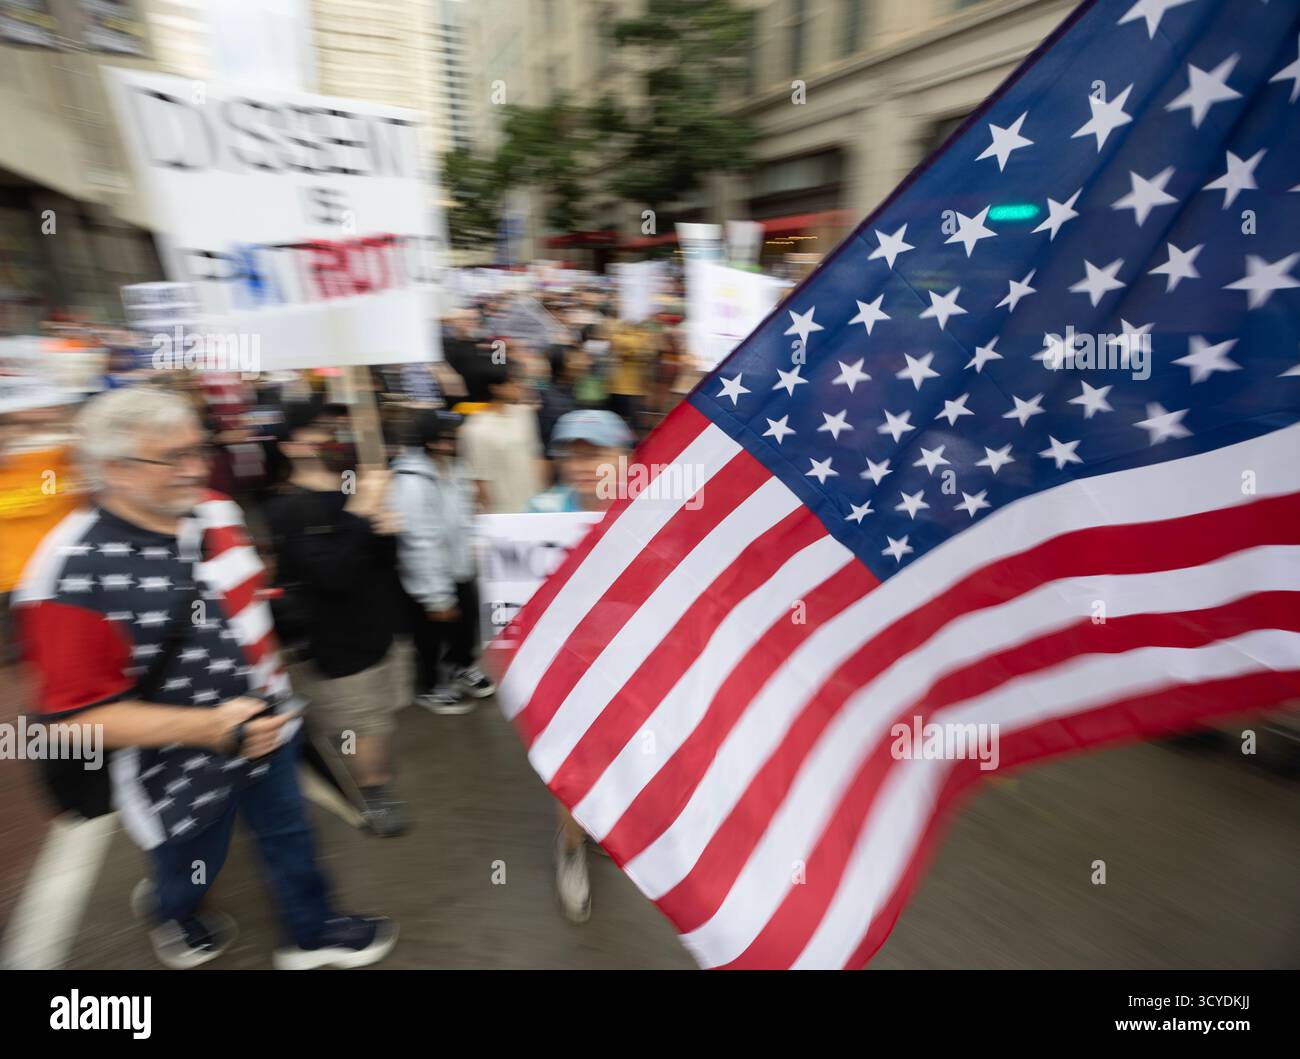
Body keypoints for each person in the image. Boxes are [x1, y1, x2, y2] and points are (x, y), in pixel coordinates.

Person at [13, 386, 395, 969]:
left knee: (291, 833)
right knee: (191, 860)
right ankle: (176, 912)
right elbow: (74, 719)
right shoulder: (67, 574)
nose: (197, 468)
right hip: (170, 763)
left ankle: (312, 933)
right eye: (173, 457)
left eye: (198, 450)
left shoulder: (215, 506)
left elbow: (247, 598)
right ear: (113, 470)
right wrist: (210, 729)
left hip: (270, 721)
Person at [264, 401, 408, 837]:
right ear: (289, 447)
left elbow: (376, 561)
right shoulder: (289, 508)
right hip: (337, 638)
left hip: (378, 625)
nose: (328, 436)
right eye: (314, 431)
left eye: (330, 427)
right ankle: (370, 794)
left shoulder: (349, 489)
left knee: (378, 718)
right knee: (361, 724)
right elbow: (332, 575)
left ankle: (372, 780)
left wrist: (385, 531)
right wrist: (362, 513)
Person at [527, 409, 634, 922]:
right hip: (565, 670)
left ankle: (600, 830)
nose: (583, 464)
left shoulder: (650, 512)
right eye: (572, 453)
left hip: (631, 667)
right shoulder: (540, 512)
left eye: (596, 452)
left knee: (619, 759)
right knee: (571, 766)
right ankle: (570, 847)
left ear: (626, 457)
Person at [389, 410, 495, 714]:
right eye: (446, 436)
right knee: (432, 637)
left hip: (460, 569)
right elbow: (418, 541)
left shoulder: (457, 469)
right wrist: (435, 596)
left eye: (454, 436)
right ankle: (433, 687)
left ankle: (461, 667)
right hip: (426, 578)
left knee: (465, 626)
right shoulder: (410, 480)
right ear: (430, 439)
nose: (452, 442)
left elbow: (466, 518)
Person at [459, 360, 546, 514]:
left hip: (534, 507)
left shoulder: (525, 414)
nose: (520, 385)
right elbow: (480, 480)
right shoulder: (476, 429)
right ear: (495, 388)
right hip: (503, 512)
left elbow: (536, 458)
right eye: (513, 381)